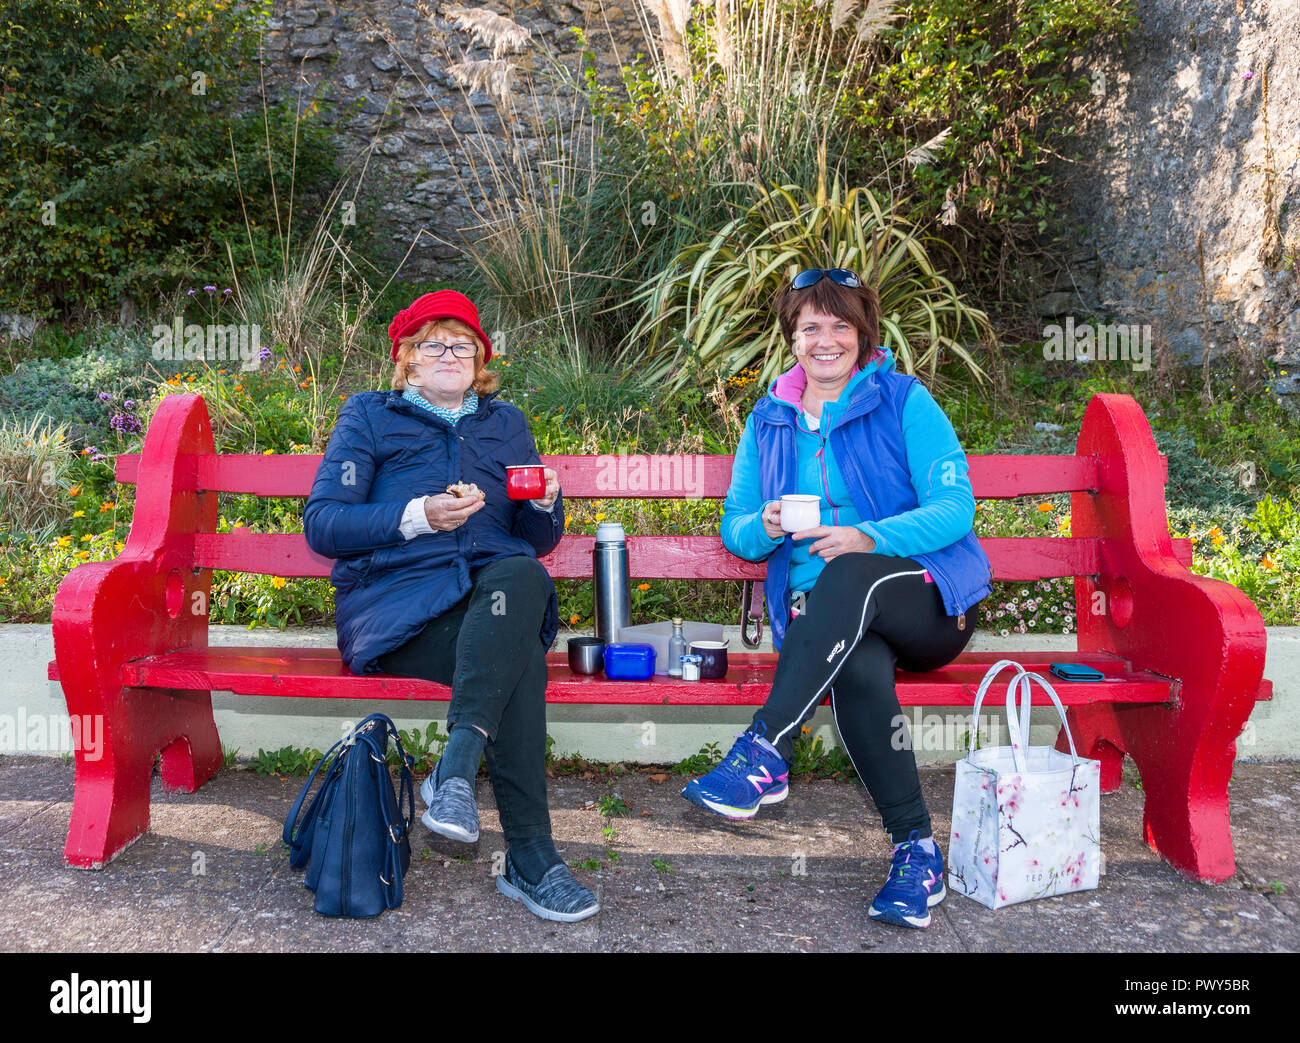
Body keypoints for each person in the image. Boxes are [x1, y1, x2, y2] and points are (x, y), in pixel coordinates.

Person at [682, 268, 992, 928]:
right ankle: (917, 852)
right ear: (792, 338)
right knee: (855, 661)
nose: (825, 339)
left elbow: (955, 507)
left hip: (928, 601)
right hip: (829, 623)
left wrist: (866, 535)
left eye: (840, 325)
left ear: (863, 334)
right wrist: (762, 524)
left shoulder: (904, 401)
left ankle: (766, 749)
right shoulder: (769, 421)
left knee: (850, 571)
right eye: (810, 326)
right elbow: (735, 524)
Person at [303, 289, 598, 923]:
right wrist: (419, 516)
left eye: (463, 345)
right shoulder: (369, 417)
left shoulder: (506, 423)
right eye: (434, 343)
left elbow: (538, 539)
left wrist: (545, 501)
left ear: (480, 360)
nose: (450, 354)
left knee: (521, 574)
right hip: (397, 609)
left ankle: (456, 772)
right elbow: (324, 525)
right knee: (513, 662)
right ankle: (531, 859)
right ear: (407, 359)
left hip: (493, 599)